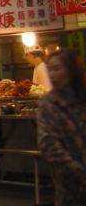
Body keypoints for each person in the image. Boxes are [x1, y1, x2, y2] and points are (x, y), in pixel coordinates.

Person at [36, 49, 86, 206]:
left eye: (57, 69)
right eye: (50, 70)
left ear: (72, 70)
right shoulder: (49, 103)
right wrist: (77, 170)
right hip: (70, 185)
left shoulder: (81, 99)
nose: (51, 75)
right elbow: (48, 144)